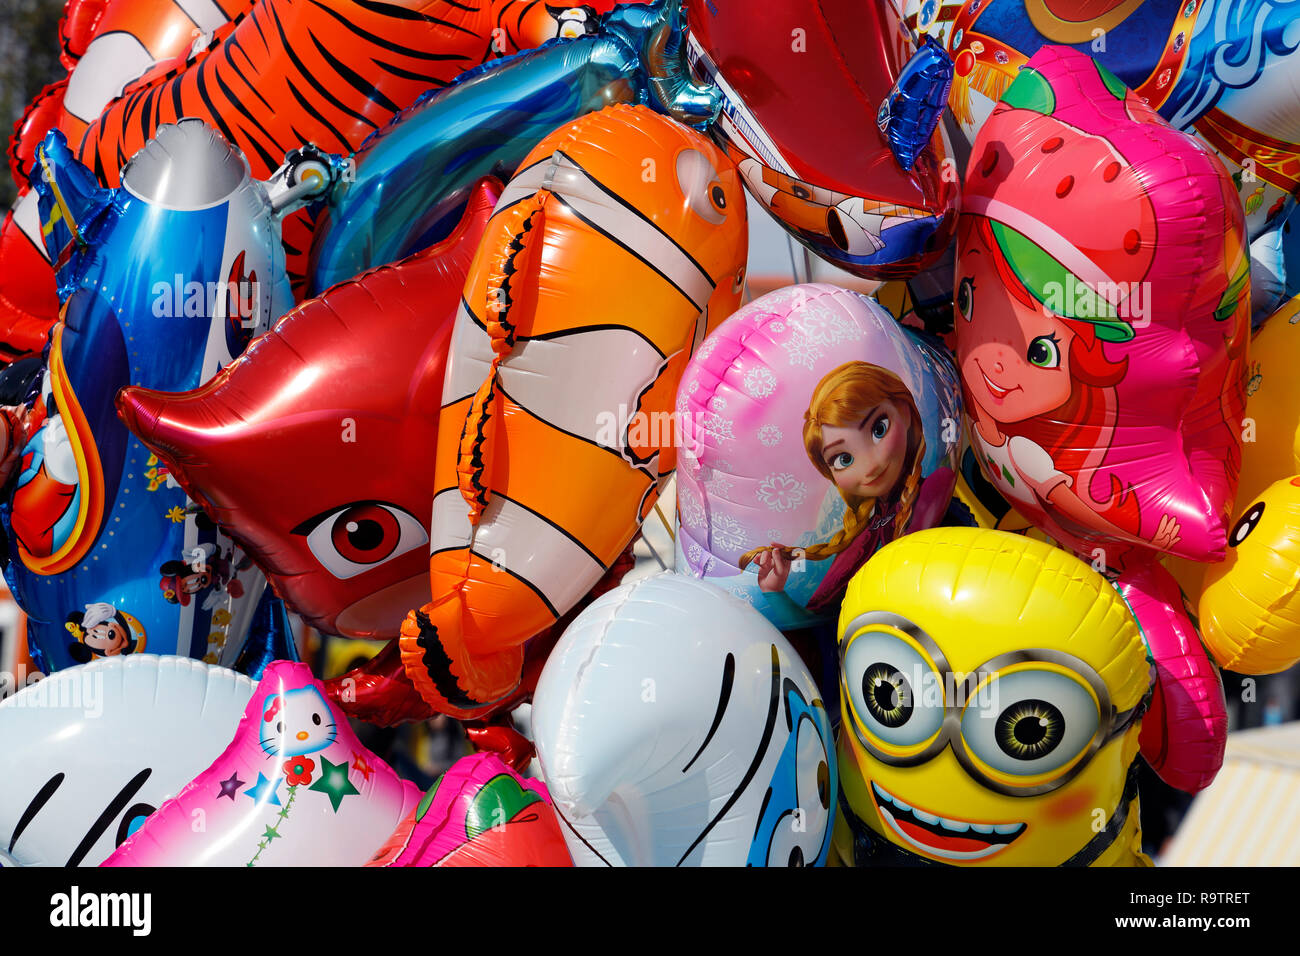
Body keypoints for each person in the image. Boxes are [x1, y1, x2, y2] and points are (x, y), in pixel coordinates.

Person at [740, 361, 951, 614]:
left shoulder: (934, 490)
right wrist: (774, 591)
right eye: (844, 459)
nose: (870, 465)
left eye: (878, 429)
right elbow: (825, 629)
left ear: (904, 412)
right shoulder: (862, 539)